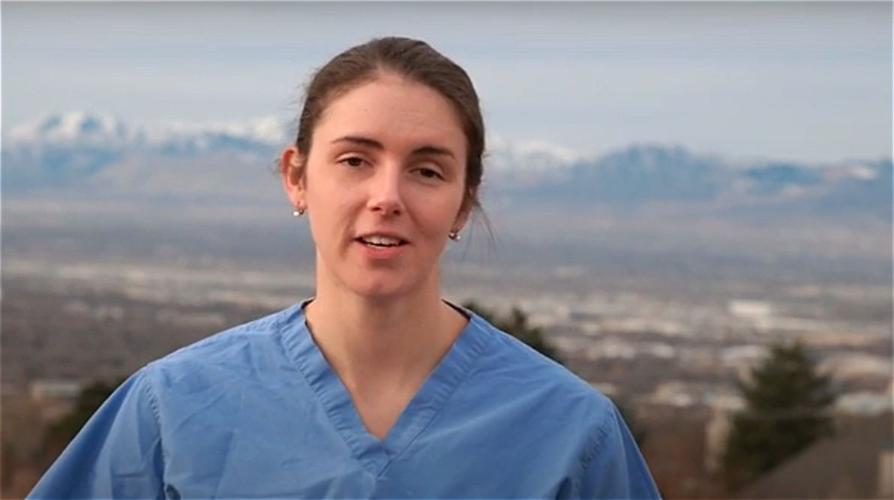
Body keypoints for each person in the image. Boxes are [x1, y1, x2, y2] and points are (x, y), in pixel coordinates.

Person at [29, 37, 660, 499]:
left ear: (464, 200)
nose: (387, 196)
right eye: (355, 160)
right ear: (297, 178)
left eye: (427, 169)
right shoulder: (172, 410)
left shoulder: (572, 436)